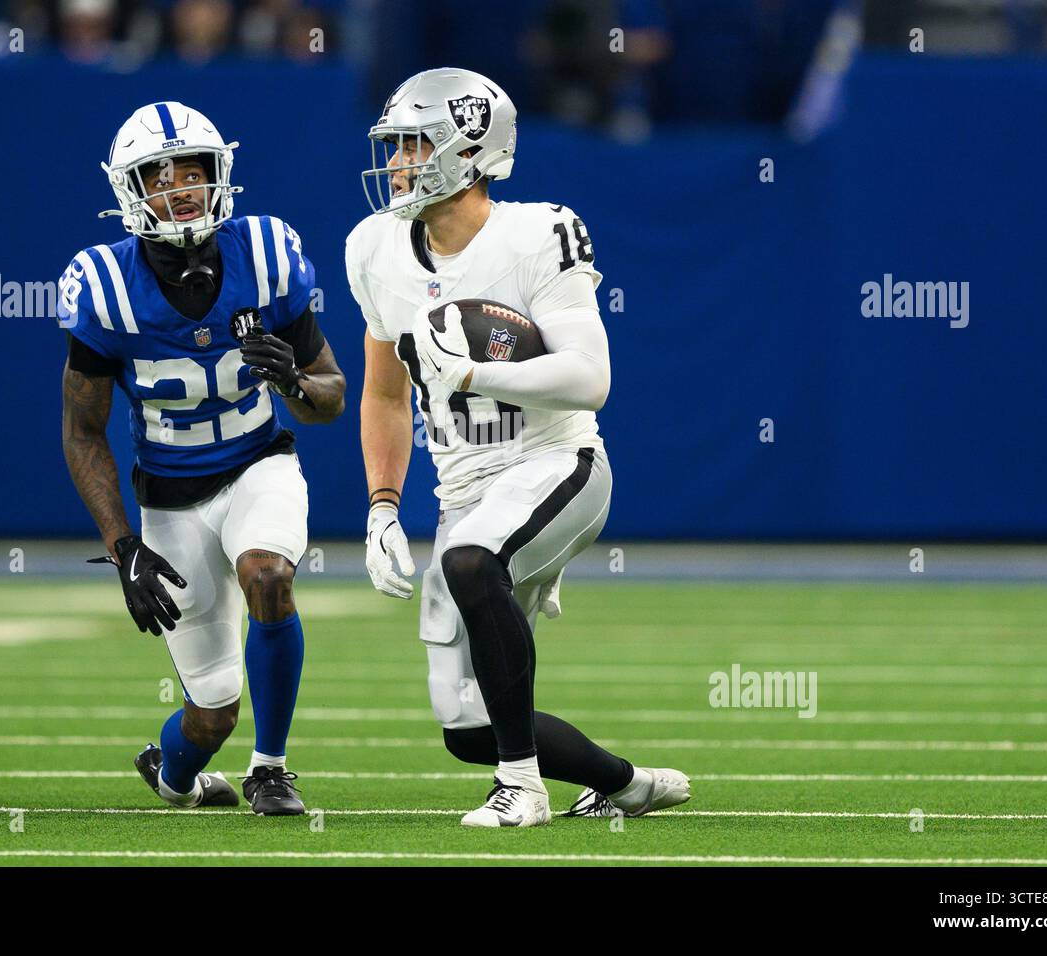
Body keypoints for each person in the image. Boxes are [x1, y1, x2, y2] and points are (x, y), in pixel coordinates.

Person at [347, 68, 689, 827]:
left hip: (558, 465)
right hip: (464, 492)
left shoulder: (537, 233)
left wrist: (473, 370)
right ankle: (629, 786)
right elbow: (382, 394)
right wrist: (381, 506)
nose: (397, 161)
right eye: (396, 144)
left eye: (413, 144)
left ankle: (523, 791)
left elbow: (590, 378)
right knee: (470, 728)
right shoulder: (374, 249)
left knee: (470, 561)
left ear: (466, 152)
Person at [57, 102, 344, 815]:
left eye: (194, 170)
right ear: (131, 190)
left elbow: (331, 398)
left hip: (258, 464)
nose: (181, 187)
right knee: (211, 712)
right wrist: (122, 547)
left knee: (268, 575)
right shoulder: (104, 286)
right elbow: (84, 430)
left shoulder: (267, 254)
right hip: (169, 499)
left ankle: (270, 769)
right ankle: (173, 771)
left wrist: (293, 380)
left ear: (221, 176)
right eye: (160, 174)